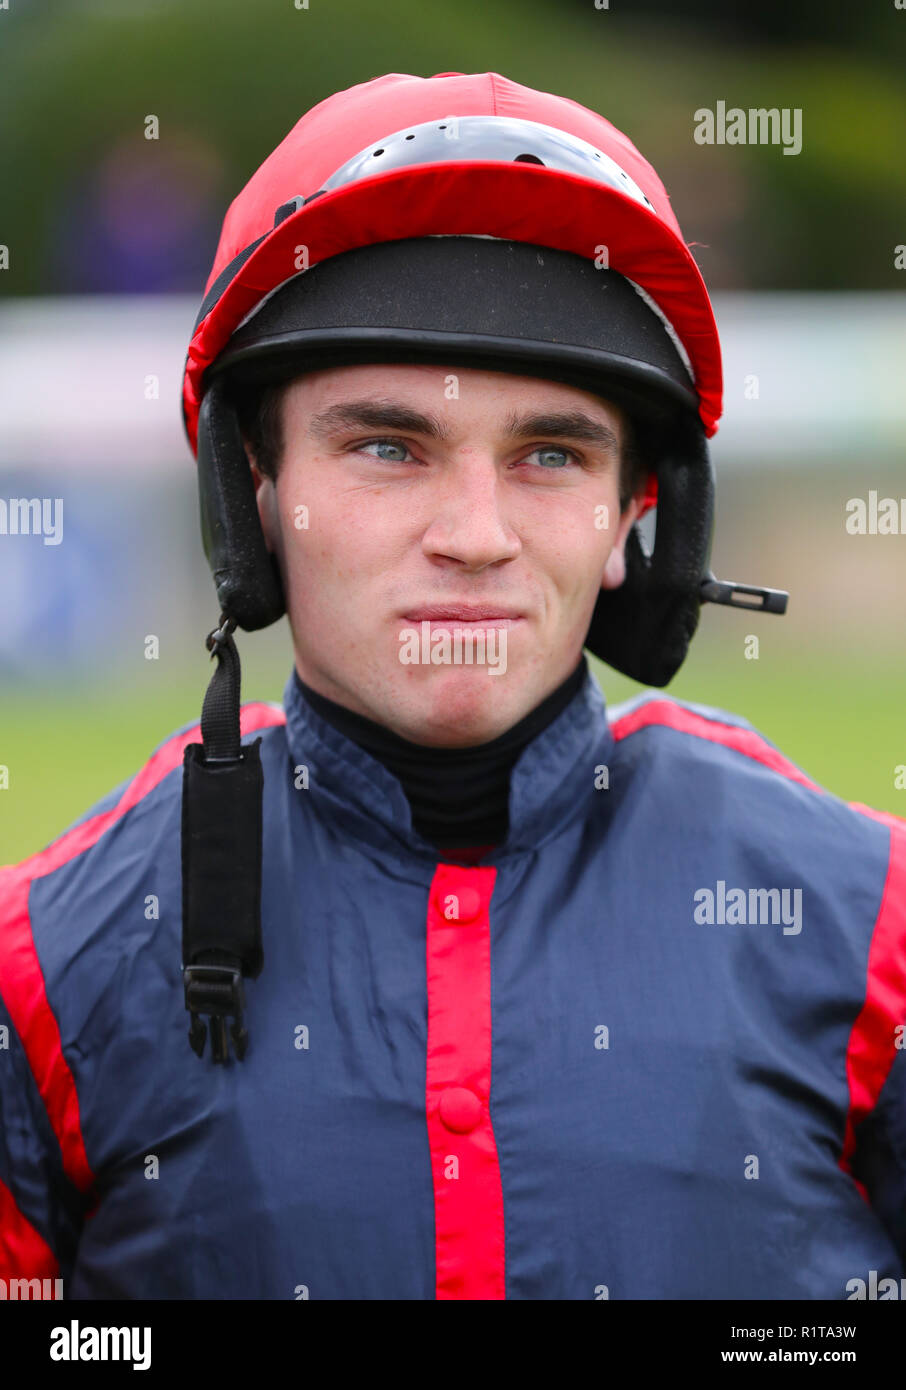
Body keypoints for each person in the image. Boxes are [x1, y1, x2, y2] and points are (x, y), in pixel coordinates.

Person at [1, 70, 904, 1302]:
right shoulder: (45, 966)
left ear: (640, 509)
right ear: (253, 490)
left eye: (550, 453)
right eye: (387, 447)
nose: (474, 534)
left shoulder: (872, 932)